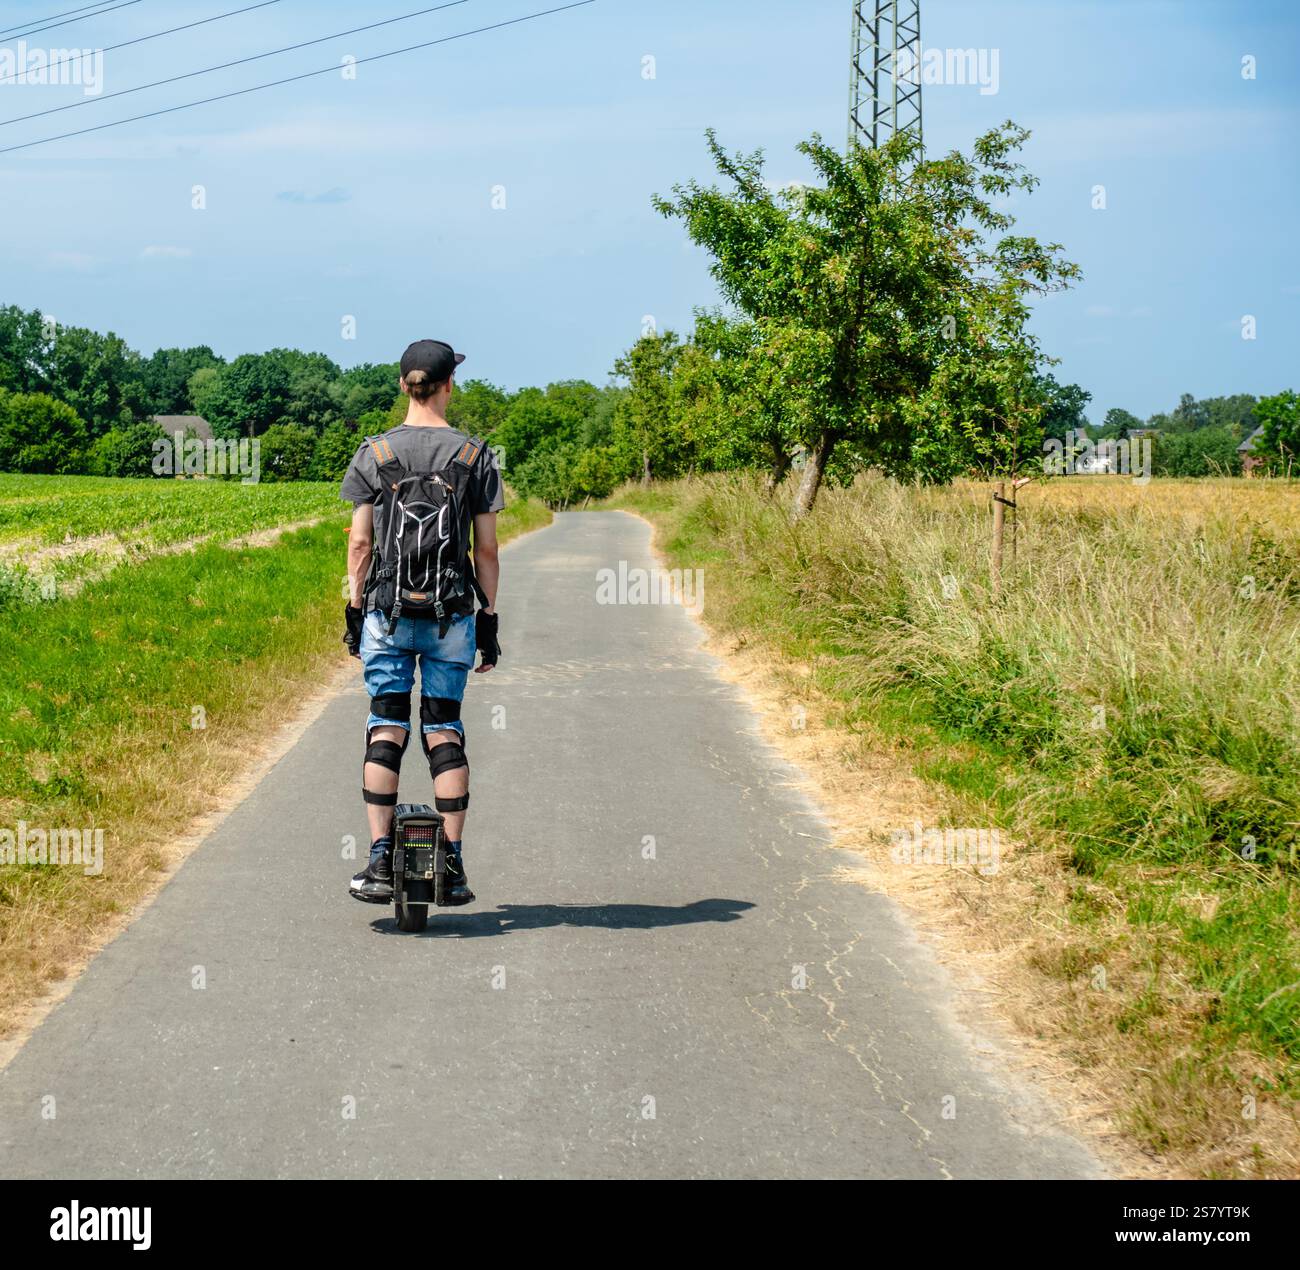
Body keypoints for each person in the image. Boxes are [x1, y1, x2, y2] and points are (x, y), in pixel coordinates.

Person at [340, 338, 504, 906]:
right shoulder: (473, 456)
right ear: (447, 385)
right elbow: (486, 552)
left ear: (403, 386)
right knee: (443, 728)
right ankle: (453, 865)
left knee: (386, 724)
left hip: (386, 611)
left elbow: (361, 542)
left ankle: (381, 860)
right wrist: (488, 616)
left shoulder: (375, 454)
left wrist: (355, 607)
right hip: (451, 614)